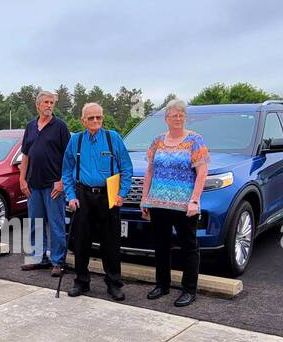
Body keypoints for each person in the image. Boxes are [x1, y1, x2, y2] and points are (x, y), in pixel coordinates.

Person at [140, 99, 210, 307]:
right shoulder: (158, 141)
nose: (178, 118)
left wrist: (194, 200)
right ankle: (162, 285)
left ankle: (189, 290)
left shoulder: (195, 141)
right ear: (166, 118)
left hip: (184, 205)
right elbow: (150, 170)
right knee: (161, 246)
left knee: (189, 247)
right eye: (174, 115)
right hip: (158, 203)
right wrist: (145, 198)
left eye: (181, 115)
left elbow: (202, 172)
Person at [62, 102, 133, 301]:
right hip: (83, 196)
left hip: (108, 197)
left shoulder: (113, 139)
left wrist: (122, 193)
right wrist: (71, 196)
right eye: (91, 118)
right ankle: (81, 282)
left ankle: (114, 284)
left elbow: (126, 168)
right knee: (81, 242)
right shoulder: (75, 141)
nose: (95, 121)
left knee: (110, 244)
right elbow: (66, 171)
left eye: (98, 117)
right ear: (83, 120)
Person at [19, 89, 71, 277]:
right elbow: (25, 154)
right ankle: (38, 257)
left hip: (53, 186)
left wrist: (62, 181)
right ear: (38, 105)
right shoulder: (30, 126)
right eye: (46, 102)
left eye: (52, 102)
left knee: (56, 224)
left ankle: (58, 261)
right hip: (33, 185)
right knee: (36, 222)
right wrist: (22, 178)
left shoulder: (60, 127)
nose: (49, 105)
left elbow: (69, 157)